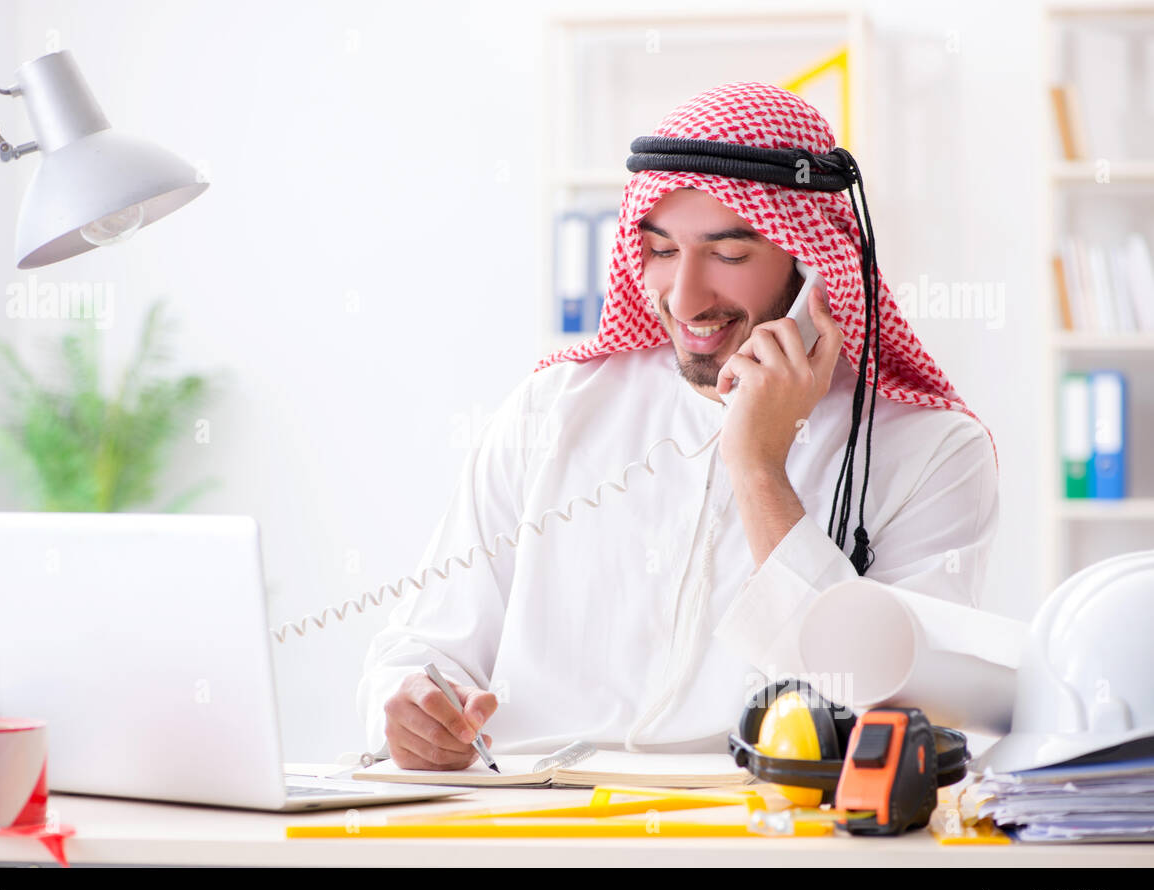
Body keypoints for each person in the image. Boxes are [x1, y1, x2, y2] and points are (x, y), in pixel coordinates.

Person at [358, 82, 1000, 770]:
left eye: (728, 254)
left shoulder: (933, 451)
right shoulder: (549, 410)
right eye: (661, 251)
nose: (685, 298)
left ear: (812, 262)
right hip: (531, 826)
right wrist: (411, 708)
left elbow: (891, 729)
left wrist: (757, 469)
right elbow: (421, 650)